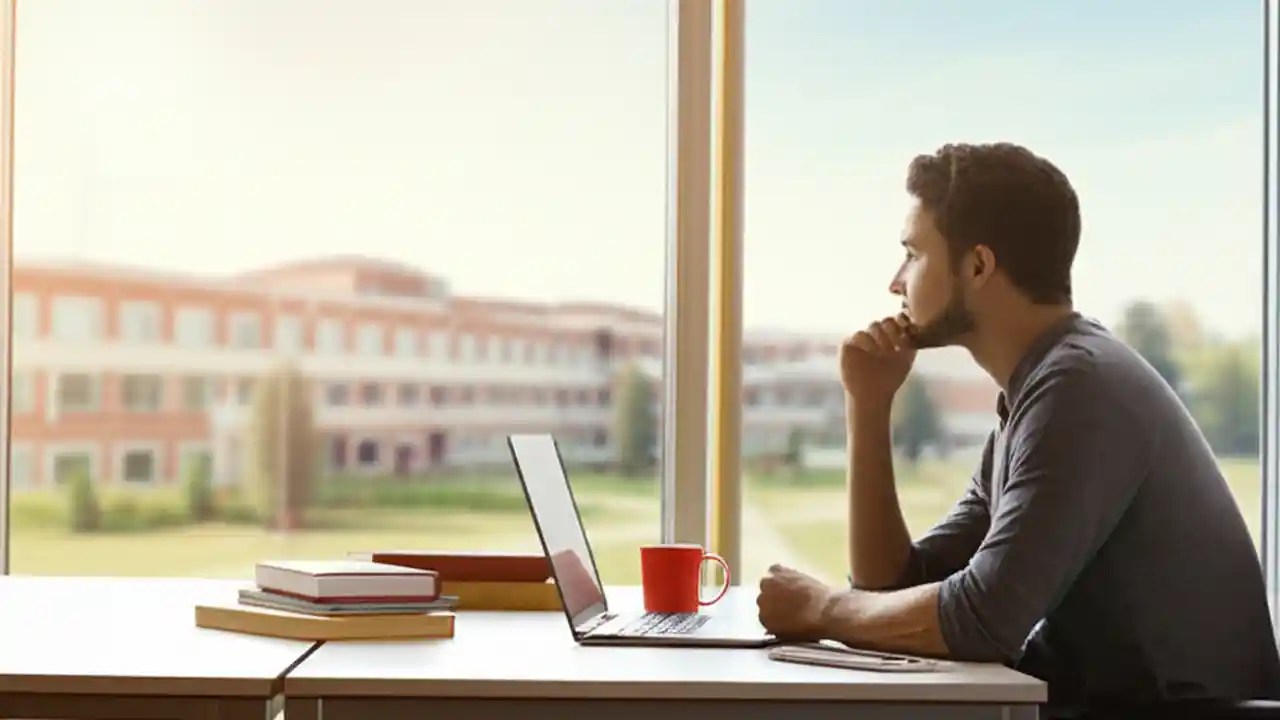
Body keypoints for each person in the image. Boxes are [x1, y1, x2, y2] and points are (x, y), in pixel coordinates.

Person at [754, 142, 1280, 717]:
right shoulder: (1037, 393)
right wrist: (869, 406)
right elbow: (892, 590)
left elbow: (983, 620)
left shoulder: (1079, 390)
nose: (895, 281)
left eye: (912, 253)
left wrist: (823, 609)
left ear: (978, 265)